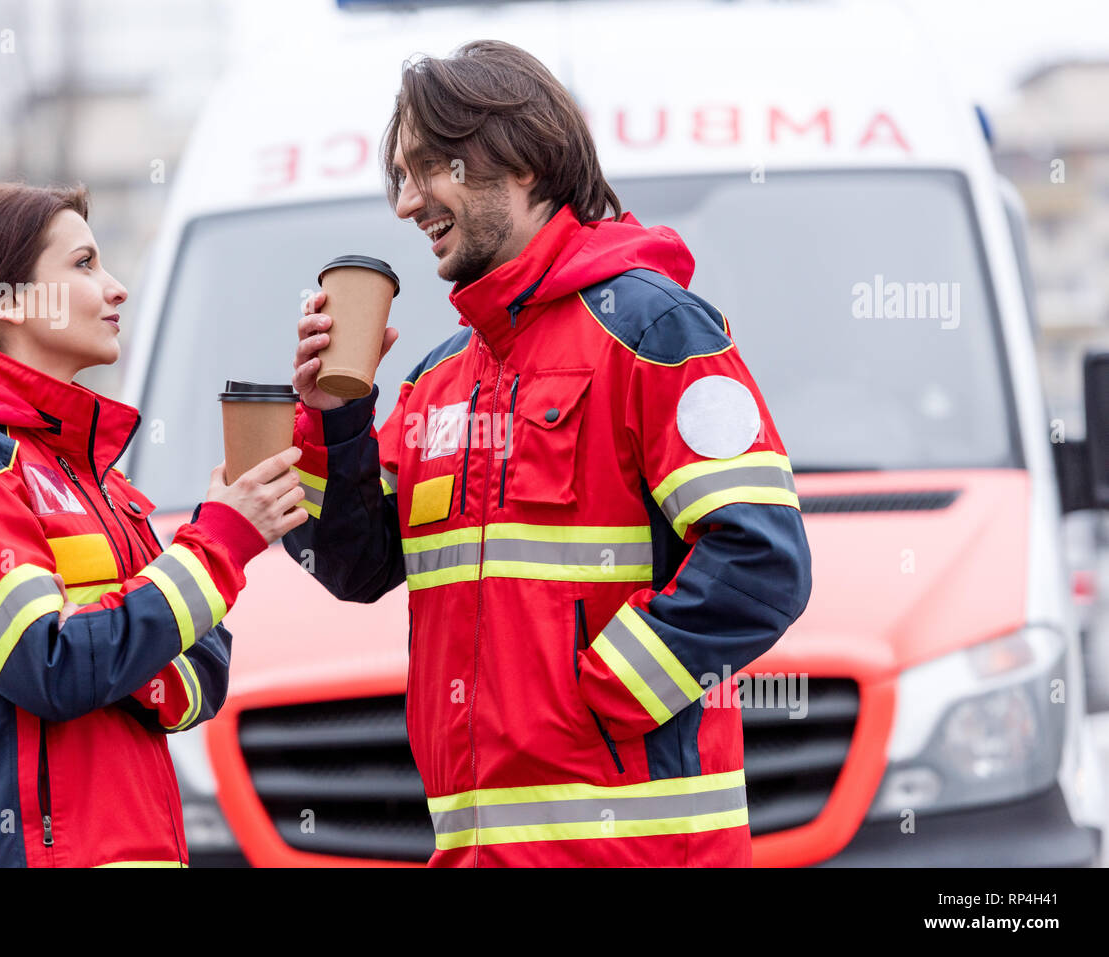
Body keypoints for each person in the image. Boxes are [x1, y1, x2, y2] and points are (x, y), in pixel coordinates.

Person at [285, 40, 812, 866]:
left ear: (522, 161)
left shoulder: (655, 328)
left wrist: (595, 699)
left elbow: (762, 562)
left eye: (430, 167)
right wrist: (335, 414)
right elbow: (353, 565)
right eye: (400, 175)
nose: (407, 202)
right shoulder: (440, 376)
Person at [0, 183, 307, 867]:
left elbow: (203, 675)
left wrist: (120, 651)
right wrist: (217, 542)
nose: (117, 287)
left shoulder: (96, 476)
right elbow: (49, 663)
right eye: (84, 264)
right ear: (7, 300)